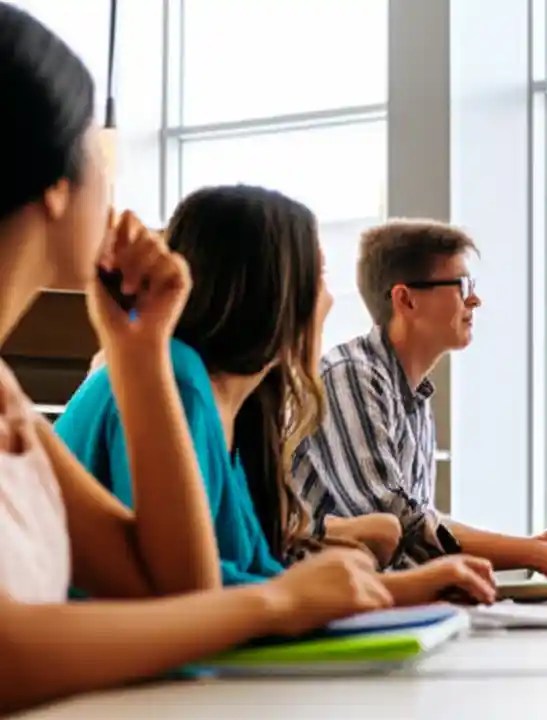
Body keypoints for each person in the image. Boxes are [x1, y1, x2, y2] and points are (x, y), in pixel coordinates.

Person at [0, 5, 391, 713]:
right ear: (55, 186)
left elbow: (178, 594)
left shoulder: (8, 397)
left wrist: (139, 351)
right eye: (95, 145)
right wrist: (274, 603)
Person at [55, 184, 497, 606]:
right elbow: (190, 593)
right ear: (275, 288)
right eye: (318, 275)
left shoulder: (231, 406)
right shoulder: (178, 381)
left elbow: (252, 575)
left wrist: (408, 590)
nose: (327, 300)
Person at [292, 219, 547, 580]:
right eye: (461, 285)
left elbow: (422, 519)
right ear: (405, 299)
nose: (474, 300)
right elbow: (402, 526)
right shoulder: (350, 376)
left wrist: (531, 548)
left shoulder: (411, 394)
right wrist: (534, 553)